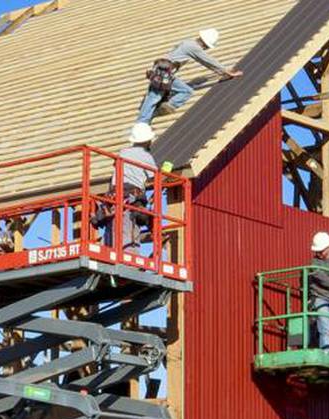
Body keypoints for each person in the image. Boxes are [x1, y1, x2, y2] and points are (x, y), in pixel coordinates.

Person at [136, 28, 243, 124]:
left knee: (153, 98)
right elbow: (207, 61)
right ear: (205, 44)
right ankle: (165, 107)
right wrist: (226, 72)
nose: (206, 49)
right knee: (186, 91)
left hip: (159, 72)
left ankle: (144, 122)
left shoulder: (188, 42)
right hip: (164, 75)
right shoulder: (193, 47)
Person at [93, 123, 159, 252]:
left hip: (113, 198)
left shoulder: (123, 153)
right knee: (129, 236)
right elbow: (156, 177)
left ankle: (111, 255)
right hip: (130, 199)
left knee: (113, 232)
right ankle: (129, 260)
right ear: (147, 140)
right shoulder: (146, 157)